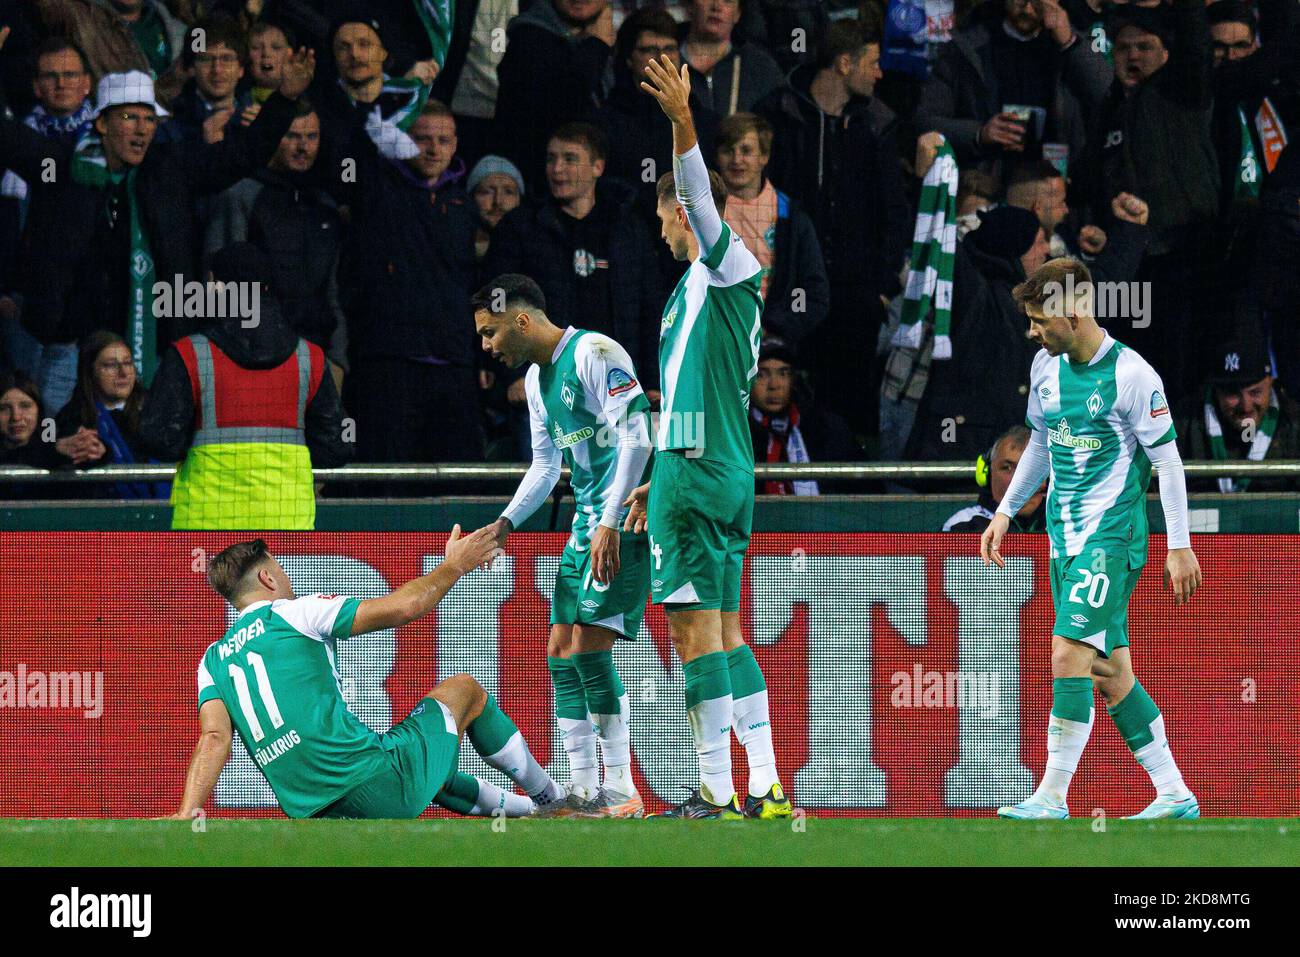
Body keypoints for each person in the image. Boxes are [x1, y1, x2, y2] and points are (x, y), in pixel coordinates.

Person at [622, 55, 791, 820]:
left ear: (686, 216)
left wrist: (683, 119)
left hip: (698, 478)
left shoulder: (724, 268)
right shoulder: (701, 291)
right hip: (717, 469)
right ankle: (765, 783)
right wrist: (658, 471)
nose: (661, 228)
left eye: (664, 216)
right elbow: (695, 395)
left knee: (694, 638)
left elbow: (694, 188)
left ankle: (714, 792)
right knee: (724, 630)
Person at [982, 256, 1202, 821]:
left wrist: (1180, 544)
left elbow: (1169, 464)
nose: (1032, 330)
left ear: (1074, 313)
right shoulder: (1043, 368)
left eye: (1039, 320)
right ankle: (1174, 792)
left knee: (1069, 653)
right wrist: (1006, 511)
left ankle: (1051, 796)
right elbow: (1038, 444)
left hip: (1113, 537)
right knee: (1109, 670)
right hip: (1065, 540)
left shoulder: (1132, 376)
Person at [0, 35, 316, 413]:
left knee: (148, 448)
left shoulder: (170, 169)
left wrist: (282, 101)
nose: (142, 129)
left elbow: (240, 155)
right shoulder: (61, 164)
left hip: (154, 345)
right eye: (130, 117)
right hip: (70, 348)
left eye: (150, 119)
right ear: (102, 123)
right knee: (66, 448)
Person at [165, 535, 567, 821]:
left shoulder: (212, 659)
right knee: (465, 690)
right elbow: (407, 606)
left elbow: (214, 739)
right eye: (280, 570)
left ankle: (530, 813)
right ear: (268, 578)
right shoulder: (295, 612)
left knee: (430, 765)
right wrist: (453, 565)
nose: (286, 579)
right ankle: (551, 799)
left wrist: (188, 813)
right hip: (374, 784)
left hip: (311, 815)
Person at [474, 273, 652, 817]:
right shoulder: (534, 381)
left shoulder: (596, 352)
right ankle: (581, 788)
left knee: (589, 651)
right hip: (583, 532)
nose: (486, 346)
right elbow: (547, 466)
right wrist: (505, 524)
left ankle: (622, 789)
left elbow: (638, 432)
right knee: (559, 653)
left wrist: (611, 522)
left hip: (621, 526)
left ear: (521, 320)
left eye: (490, 332)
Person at [756, 18, 911, 434]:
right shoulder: (776, 114)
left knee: (849, 417)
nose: (880, 74)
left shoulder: (877, 123)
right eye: (873, 62)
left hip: (855, 299)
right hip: (787, 290)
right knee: (779, 407)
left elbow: (895, 214)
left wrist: (880, 289)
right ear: (845, 63)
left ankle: (848, 496)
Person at [138, 243, 353, 530]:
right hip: (287, 524)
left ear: (217, 287)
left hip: (206, 525)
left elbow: (158, 438)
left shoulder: (189, 354)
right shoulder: (310, 358)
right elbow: (338, 445)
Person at [332, 97, 485, 487]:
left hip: (453, 366)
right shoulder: (377, 192)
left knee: (458, 481)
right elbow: (350, 155)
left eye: (443, 140)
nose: (433, 149)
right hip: (388, 363)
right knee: (387, 481)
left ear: (455, 144)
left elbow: (475, 285)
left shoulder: (465, 206)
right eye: (421, 139)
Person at [203, 99, 347, 376]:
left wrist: (338, 360)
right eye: (291, 136)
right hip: (255, 361)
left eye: (311, 137)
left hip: (319, 360)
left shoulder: (325, 206)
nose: (303, 147)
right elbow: (217, 287)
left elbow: (334, 292)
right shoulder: (240, 195)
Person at [914, 0, 1111, 182]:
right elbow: (926, 120)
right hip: (987, 182)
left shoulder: (1070, 44)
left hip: (1055, 189)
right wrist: (980, 133)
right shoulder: (966, 48)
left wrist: (1070, 42)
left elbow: (1107, 97)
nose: (1027, 8)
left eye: (1036, 1)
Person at [0, 37, 95, 382]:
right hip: (19, 300)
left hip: (81, 303)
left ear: (87, 84)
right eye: (51, 76)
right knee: (20, 400)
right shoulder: (14, 141)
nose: (61, 83)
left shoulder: (104, 142)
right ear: (36, 87)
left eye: (70, 75)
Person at [716, 112, 829, 351]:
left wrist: (777, 328)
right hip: (713, 342)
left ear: (764, 157)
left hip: (771, 348)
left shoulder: (792, 217)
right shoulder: (702, 212)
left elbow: (814, 293)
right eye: (728, 150)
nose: (737, 160)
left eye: (746, 151)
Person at [492, 0, 614, 194]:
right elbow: (564, 100)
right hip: (541, 187)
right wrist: (597, 45)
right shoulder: (529, 39)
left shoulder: (613, 40)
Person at [1175, 336, 1300, 493]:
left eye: (1255, 392)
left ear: (1270, 383)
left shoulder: (1295, 424)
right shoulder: (1182, 424)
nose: (1246, 406)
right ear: (1215, 391)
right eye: (1232, 394)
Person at [54, 329, 169, 500]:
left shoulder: (158, 411)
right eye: (111, 365)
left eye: (128, 363)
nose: (123, 373)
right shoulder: (71, 416)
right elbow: (45, 445)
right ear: (90, 371)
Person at [749, 336, 859, 494]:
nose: (774, 385)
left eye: (783, 373)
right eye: (762, 375)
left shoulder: (826, 429)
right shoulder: (735, 435)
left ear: (794, 379)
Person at [0, 370, 101, 499]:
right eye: (4, 408)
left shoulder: (52, 446)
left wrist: (97, 449)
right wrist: (54, 450)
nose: (16, 417)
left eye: (25, 406)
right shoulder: (52, 450)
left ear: (38, 410)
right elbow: (15, 458)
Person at [155, 16, 253, 145]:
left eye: (226, 59)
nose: (217, 69)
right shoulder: (168, 126)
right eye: (206, 59)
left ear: (241, 69)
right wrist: (203, 146)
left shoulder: (259, 119)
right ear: (192, 68)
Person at [681, 0, 785, 116]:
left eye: (728, 1)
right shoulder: (664, 60)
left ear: (738, 14)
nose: (717, 6)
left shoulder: (761, 68)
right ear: (689, 5)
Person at [941, 424, 1046, 531]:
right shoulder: (962, 526)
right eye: (1007, 467)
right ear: (986, 474)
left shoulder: (1063, 524)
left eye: (1033, 469)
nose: (1018, 482)